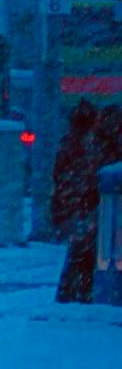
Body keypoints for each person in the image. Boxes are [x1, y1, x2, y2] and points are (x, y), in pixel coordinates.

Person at [48, 93, 122, 302]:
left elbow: (64, 182)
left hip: (82, 213)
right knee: (85, 257)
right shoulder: (98, 149)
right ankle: (79, 296)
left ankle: (73, 296)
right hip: (92, 213)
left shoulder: (75, 145)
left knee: (80, 258)